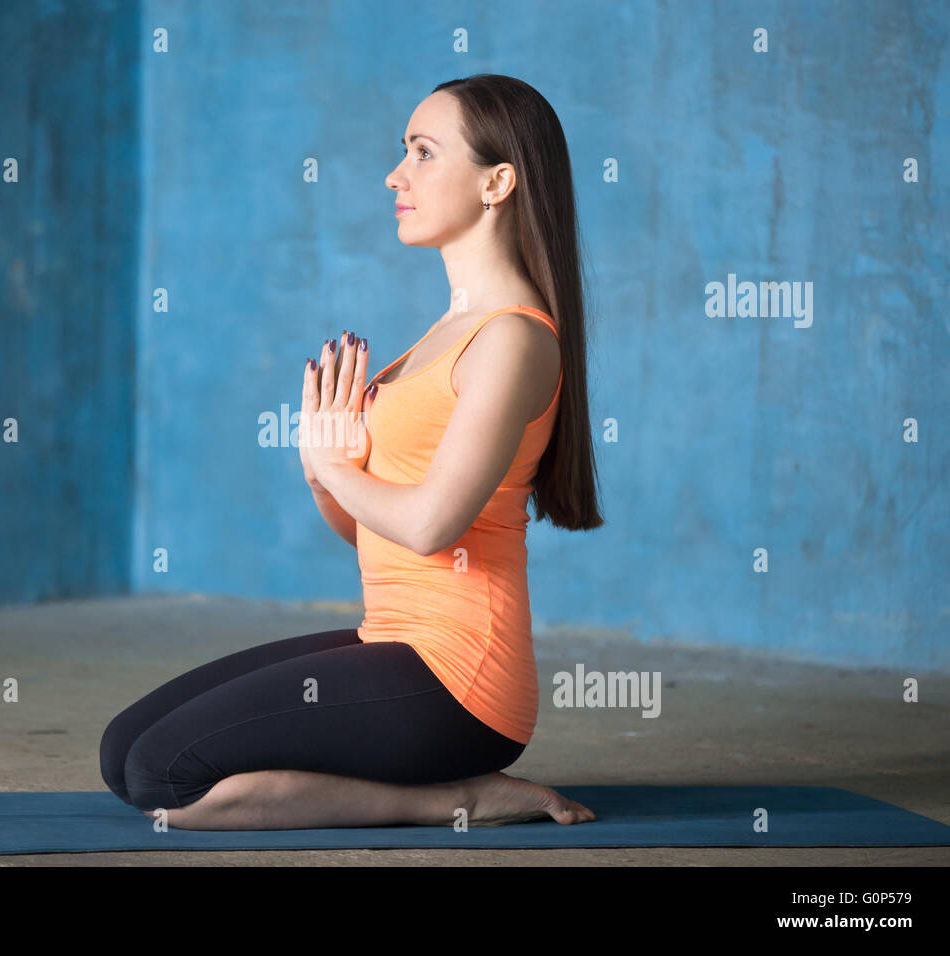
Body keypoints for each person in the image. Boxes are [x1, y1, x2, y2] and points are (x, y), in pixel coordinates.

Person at [100, 74, 604, 830]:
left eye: (425, 153)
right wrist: (320, 474)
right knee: (123, 751)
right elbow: (382, 535)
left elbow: (432, 526)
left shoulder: (512, 340)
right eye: (403, 151)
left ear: (498, 182)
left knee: (162, 773)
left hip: (460, 682)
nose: (396, 175)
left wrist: (339, 466)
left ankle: (453, 799)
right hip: (393, 641)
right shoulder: (437, 337)